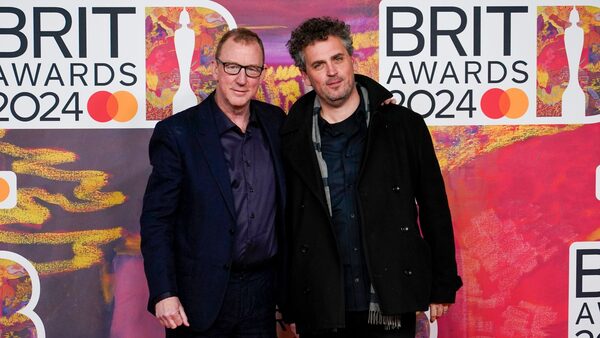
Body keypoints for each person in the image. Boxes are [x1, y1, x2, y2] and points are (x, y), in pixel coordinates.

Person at [281, 17, 462, 338]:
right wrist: (288, 301)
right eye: (319, 64)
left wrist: (443, 283)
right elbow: (286, 224)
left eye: (337, 58)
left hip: (390, 295)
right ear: (305, 74)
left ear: (352, 59)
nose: (332, 71)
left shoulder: (402, 125)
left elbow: (434, 206)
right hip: (321, 299)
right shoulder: (291, 136)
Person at [140, 27, 287, 338]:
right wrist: (164, 292)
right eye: (233, 67)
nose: (241, 79)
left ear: (261, 73)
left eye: (252, 69)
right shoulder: (178, 133)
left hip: (263, 298)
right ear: (216, 68)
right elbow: (157, 221)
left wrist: (374, 95)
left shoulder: (278, 123)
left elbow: (331, 99)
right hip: (198, 299)